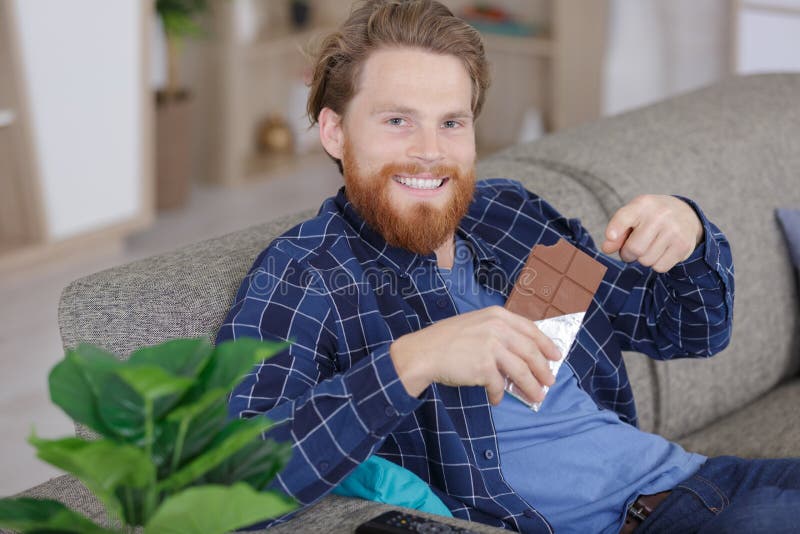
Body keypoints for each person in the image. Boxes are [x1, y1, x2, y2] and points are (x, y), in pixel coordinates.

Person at [215, 1, 800, 532]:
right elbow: (219, 484)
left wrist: (690, 238)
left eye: (451, 122)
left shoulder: (509, 217)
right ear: (335, 131)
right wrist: (411, 362)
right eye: (397, 121)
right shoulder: (306, 275)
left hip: (709, 482)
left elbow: (690, 331)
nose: (430, 150)